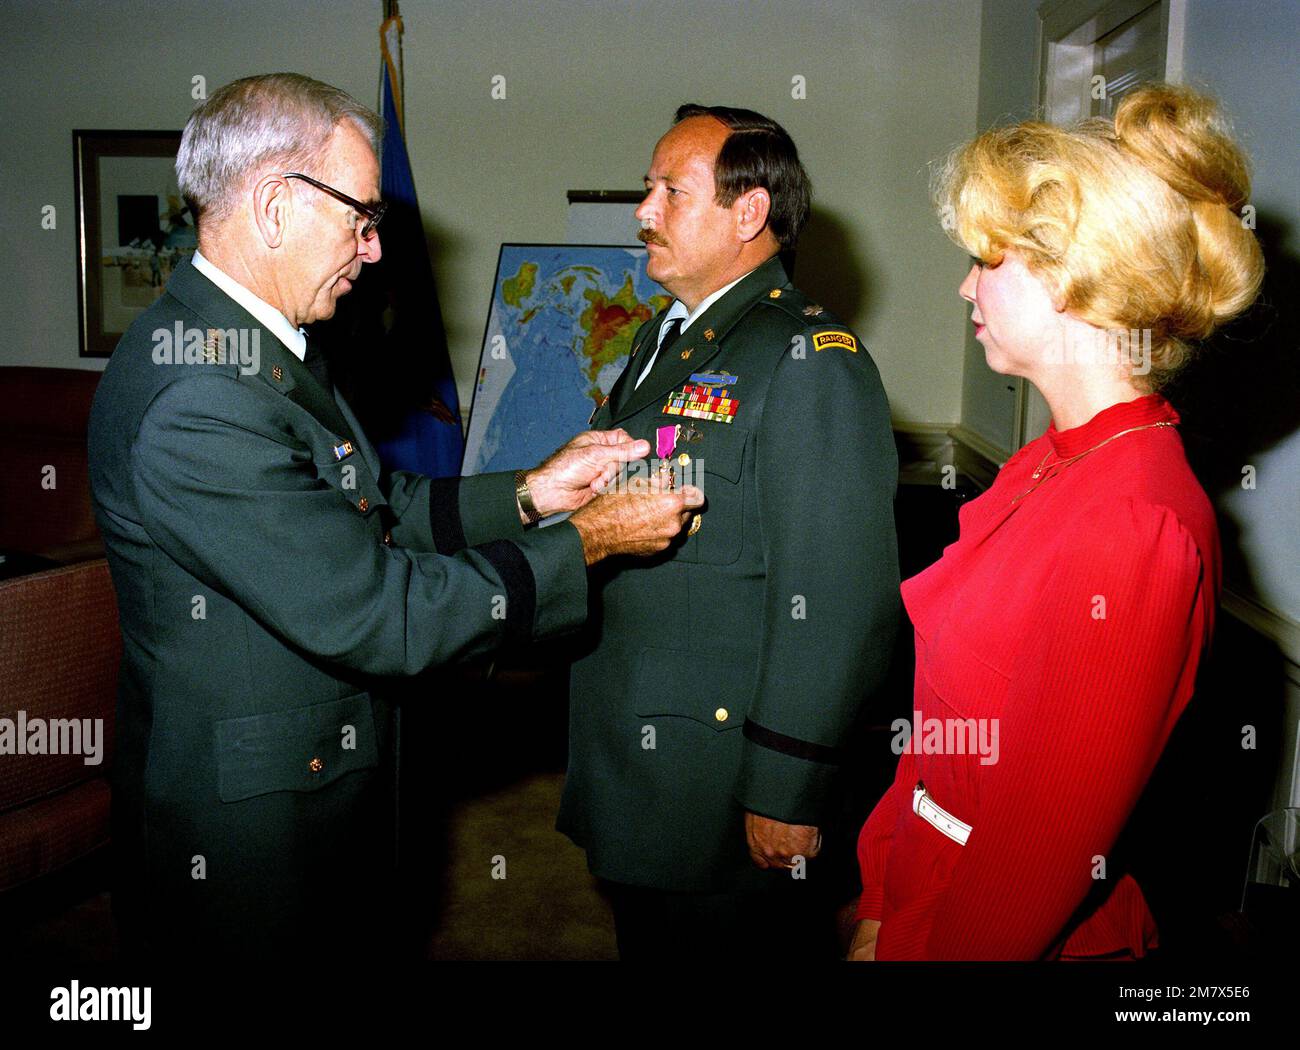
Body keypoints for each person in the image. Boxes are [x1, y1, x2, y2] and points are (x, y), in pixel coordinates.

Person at [87, 73, 701, 961]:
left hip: (317, 786)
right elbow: (381, 611)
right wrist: (591, 539)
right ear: (272, 206)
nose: (374, 250)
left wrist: (534, 491)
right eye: (360, 218)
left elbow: (375, 506)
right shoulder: (199, 396)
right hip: (251, 836)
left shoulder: (260, 344)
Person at [849, 84, 1265, 961]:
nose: (967, 283)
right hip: (923, 896)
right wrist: (883, 895)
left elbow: (1039, 853)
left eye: (989, 260)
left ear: (1081, 277)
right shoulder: (1053, 461)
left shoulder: (1132, 519)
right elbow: (939, 739)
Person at [561, 104, 900, 959]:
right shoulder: (662, 341)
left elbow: (838, 599)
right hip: (647, 757)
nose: (643, 212)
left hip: (724, 781)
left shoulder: (809, 360)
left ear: (749, 214)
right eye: (649, 189)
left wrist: (788, 783)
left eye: (672, 191)